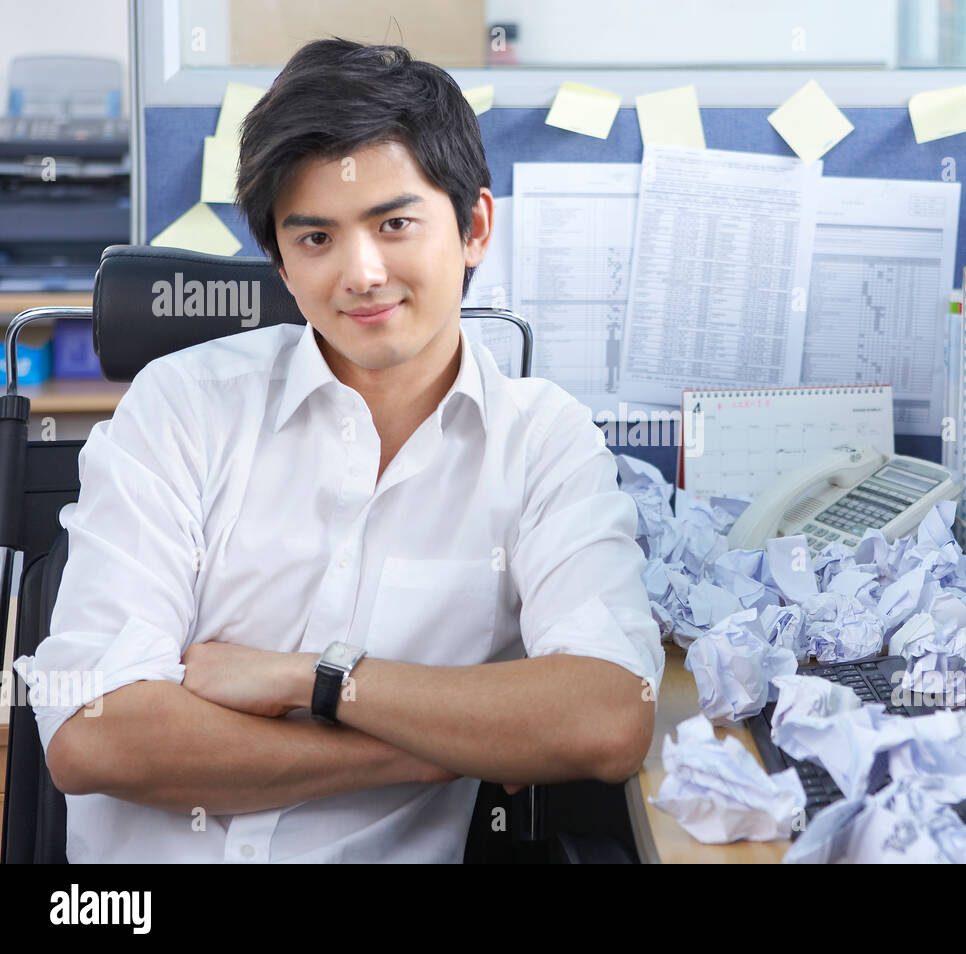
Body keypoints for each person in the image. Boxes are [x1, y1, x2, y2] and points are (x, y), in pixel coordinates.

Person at [16, 39, 664, 863]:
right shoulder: (181, 406)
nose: (360, 273)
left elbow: (609, 715)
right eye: (316, 238)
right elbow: (88, 733)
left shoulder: (541, 442)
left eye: (394, 224)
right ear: (283, 264)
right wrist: (420, 749)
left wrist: (313, 678)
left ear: (473, 229)